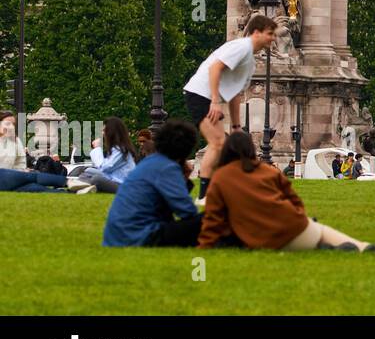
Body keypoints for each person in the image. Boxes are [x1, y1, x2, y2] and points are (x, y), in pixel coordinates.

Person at [199, 130, 375, 252]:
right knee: (320, 231)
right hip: (294, 224)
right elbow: (294, 199)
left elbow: (213, 219)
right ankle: (364, 247)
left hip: (267, 239)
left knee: (308, 242)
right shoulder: (267, 171)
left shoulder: (221, 179)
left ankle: (329, 250)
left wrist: (205, 245)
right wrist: (299, 215)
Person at [184, 14, 278, 202]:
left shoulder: (249, 61)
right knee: (217, 143)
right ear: (256, 32)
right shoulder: (241, 47)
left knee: (224, 145)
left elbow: (235, 92)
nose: (273, 38)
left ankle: (217, 190)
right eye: (270, 33)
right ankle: (204, 196)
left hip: (205, 96)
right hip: (200, 95)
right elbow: (214, 69)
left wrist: (236, 127)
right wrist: (215, 101)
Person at [102, 119, 201, 247]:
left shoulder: (151, 163)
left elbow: (167, 206)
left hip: (119, 237)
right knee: (209, 219)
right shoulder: (166, 167)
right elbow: (187, 211)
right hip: (140, 236)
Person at [80, 117, 141, 194]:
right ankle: (87, 188)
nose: (102, 133)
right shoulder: (116, 149)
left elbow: (104, 168)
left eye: (104, 130)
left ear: (111, 132)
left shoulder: (122, 150)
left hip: (123, 186)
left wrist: (97, 148)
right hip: (113, 180)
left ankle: (87, 187)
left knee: (96, 179)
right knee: (86, 173)